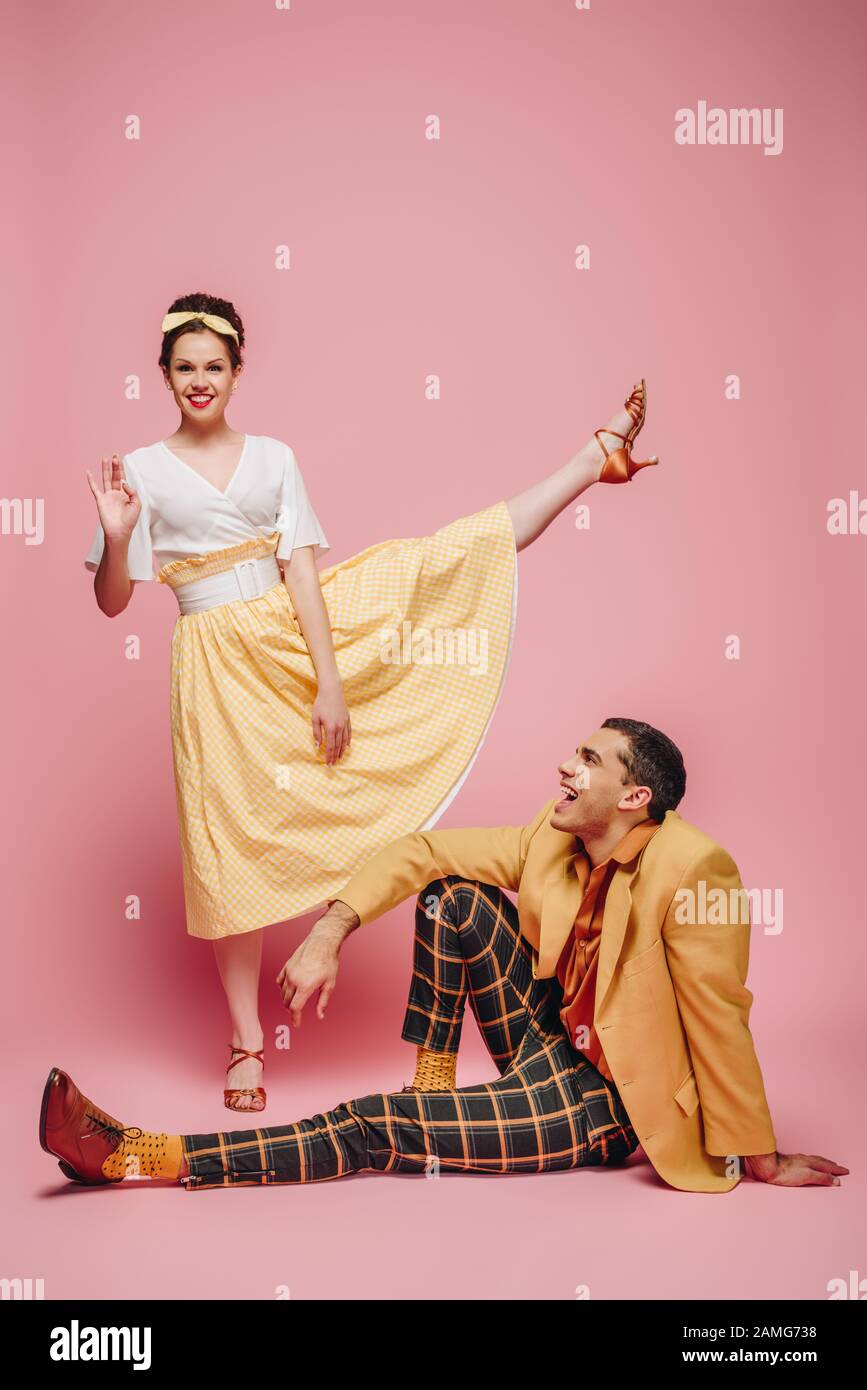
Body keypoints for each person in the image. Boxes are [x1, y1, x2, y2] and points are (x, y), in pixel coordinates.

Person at [84, 290, 658, 1113]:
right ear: (165, 375)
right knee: (226, 850)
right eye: (185, 368)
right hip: (211, 663)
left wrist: (329, 681)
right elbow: (111, 602)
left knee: (436, 561)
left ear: (238, 372)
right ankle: (246, 1042)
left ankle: (587, 463)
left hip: (290, 637)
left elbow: (303, 575)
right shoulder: (137, 472)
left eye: (215, 366)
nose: (200, 380)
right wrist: (113, 534)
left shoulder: (274, 458)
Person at [40, 719, 848, 1193]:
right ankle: (431, 1083)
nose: (565, 768)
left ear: (635, 798)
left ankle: (140, 1156)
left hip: (608, 1103)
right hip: (544, 1040)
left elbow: (719, 1015)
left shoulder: (694, 869)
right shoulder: (551, 835)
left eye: (589, 762)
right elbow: (424, 850)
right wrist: (331, 929)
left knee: (371, 1125)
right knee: (450, 894)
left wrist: (759, 1153)